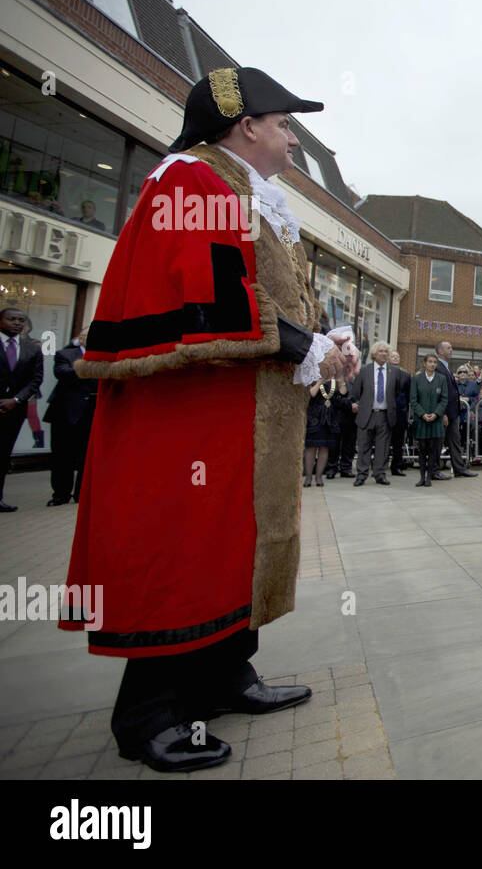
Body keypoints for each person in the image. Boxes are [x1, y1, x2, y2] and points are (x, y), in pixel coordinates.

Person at [59, 67, 358, 772]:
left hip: (243, 412)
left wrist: (322, 343)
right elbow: (216, 302)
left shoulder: (245, 191)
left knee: (237, 542)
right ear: (245, 125)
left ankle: (224, 675)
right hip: (188, 422)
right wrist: (305, 344)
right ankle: (148, 713)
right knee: (181, 545)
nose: (292, 140)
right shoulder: (190, 182)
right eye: (285, 125)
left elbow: (269, 301)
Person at [44, 328, 98, 506]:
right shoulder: (65, 354)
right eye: (87, 335)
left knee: (87, 457)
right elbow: (63, 373)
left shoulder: (106, 357)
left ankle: (81, 494)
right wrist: (90, 367)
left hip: (91, 412)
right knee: (62, 456)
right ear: (80, 338)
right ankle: (60, 494)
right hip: (65, 413)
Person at [0, 307, 43, 511]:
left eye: (21, 320)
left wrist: (16, 400)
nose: (17, 323)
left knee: (4, 454)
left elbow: (36, 379)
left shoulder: (32, 348)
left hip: (14, 410)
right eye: (11, 319)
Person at [350, 342, 398, 486]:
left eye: (385, 351)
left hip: (384, 415)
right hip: (367, 414)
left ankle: (380, 474)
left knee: (382, 447)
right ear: (374, 354)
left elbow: (396, 391)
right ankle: (362, 474)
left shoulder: (394, 372)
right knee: (364, 445)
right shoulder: (365, 370)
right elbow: (356, 392)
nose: (383, 354)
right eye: (380, 351)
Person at [434, 340, 477, 478]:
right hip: (445, 413)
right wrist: (443, 413)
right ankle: (434, 470)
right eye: (448, 348)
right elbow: (440, 392)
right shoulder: (438, 367)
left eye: (451, 347)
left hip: (453, 412)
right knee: (438, 441)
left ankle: (459, 468)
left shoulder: (446, 367)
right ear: (440, 351)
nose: (451, 350)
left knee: (455, 441)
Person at [409, 353, 450, 486]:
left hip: (435, 420)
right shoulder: (417, 379)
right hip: (421, 420)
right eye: (430, 362)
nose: (432, 364)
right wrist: (422, 414)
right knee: (422, 449)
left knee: (433, 449)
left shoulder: (441, 379)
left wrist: (436, 414)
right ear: (424, 363)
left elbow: (444, 399)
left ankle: (429, 478)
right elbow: (413, 400)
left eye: (435, 362)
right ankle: (421, 476)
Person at [303, 378, 336, 487]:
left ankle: (319, 476)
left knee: (324, 448)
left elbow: (338, 397)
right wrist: (319, 382)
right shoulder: (312, 377)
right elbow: (311, 394)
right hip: (314, 418)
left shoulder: (333, 380)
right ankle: (308, 477)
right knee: (311, 448)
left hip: (327, 420)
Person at [388, 350, 411, 477]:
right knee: (384, 440)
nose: (396, 358)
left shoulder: (406, 374)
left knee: (398, 442)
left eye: (397, 356)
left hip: (400, 412)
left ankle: (397, 466)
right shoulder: (384, 372)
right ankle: (380, 466)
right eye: (393, 356)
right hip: (386, 412)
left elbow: (408, 395)